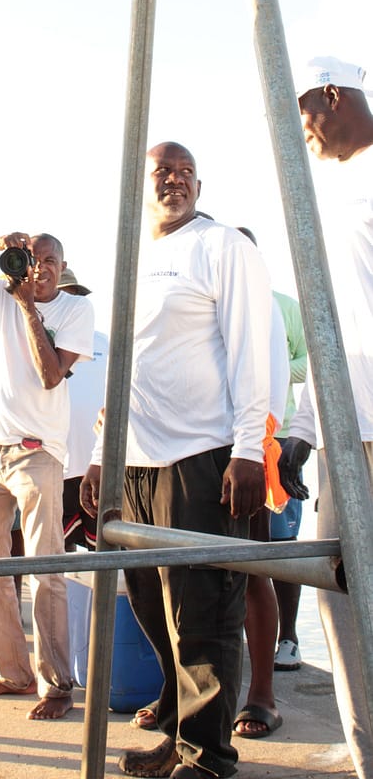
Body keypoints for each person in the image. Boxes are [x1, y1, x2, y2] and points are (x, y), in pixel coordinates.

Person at [81, 141, 272, 779]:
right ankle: (180, 734)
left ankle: (208, 757)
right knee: (153, 612)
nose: (175, 180)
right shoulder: (133, 258)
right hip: (134, 464)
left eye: (186, 171)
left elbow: (252, 351)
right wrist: (100, 454)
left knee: (205, 618)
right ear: (141, 184)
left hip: (201, 457)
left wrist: (248, 450)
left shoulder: (223, 247)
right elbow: (121, 365)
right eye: (163, 170)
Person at [279, 55, 373, 779]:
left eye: (299, 106)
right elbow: (328, 328)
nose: (295, 128)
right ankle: (366, 743)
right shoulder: (330, 195)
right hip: (347, 432)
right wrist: (304, 429)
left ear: (333, 95)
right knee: (334, 580)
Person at [0, 232, 94, 720]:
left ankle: (57, 684)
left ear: (63, 267)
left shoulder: (74, 311)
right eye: (31, 259)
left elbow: (49, 374)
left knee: (46, 570)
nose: (39, 269)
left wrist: (26, 308)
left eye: (49, 261)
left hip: (38, 454)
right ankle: (12, 672)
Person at [230, 228, 289, 740]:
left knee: (252, 571)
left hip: (245, 453)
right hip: (191, 451)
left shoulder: (264, 305)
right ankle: (181, 693)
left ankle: (262, 693)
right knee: (187, 575)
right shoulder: (215, 298)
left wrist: (247, 453)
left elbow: (271, 389)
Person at [57, 267, 108, 553]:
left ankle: (95, 601)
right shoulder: (41, 343)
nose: (71, 304)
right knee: (57, 553)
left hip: (96, 467)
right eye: (64, 297)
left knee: (99, 551)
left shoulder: (103, 342)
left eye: (75, 296)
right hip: (57, 467)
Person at [270, 290, 307, 671]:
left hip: (280, 437)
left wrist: (272, 365)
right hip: (222, 437)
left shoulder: (284, 306)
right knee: (230, 544)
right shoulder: (212, 300)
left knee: (282, 542)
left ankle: (289, 638)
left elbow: (311, 360)